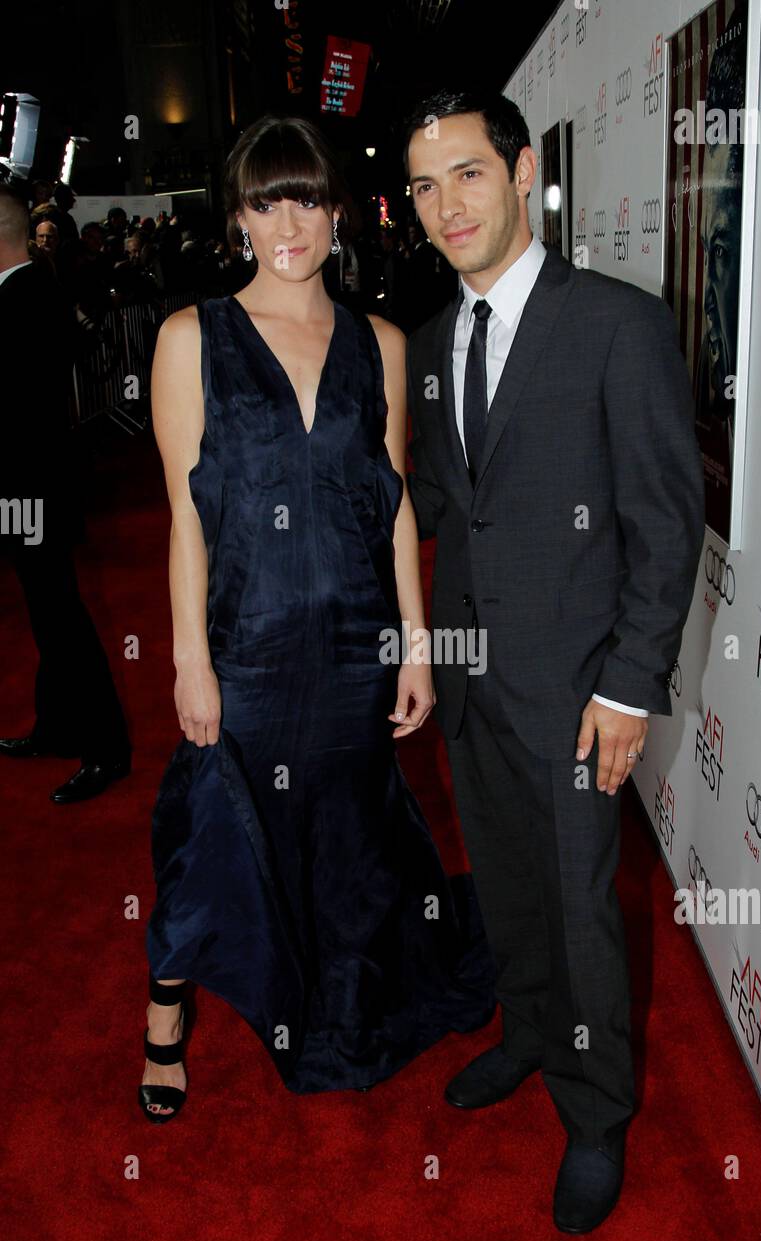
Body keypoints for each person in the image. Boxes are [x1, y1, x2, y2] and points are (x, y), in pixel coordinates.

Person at [139, 114, 494, 1124]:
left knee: (343, 840)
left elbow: (386, 508)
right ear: (238, 216)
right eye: (263, 199)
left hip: (350, 642)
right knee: (213, 837)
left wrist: (413, 644)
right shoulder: (188, 338)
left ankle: (334, 1009)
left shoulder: (378, 345)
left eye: (304, 196)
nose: (285, 220)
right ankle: (165, 1014)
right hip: (245, 641)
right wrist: (189, 660)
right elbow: (184, 517)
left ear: (336, 211)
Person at [403, 90, 705, 1234]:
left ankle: (594, 1108)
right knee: (508, 883)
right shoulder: (435, 342)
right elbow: (444, 500)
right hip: (476, 680)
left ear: (522, 172)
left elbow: (664, 523)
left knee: (582, 908)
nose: (447, 206)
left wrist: (628, 682)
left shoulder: (617, 326)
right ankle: (527, 1030)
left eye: (467, 175)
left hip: (582, 691)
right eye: (426, 186)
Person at [0, 185, 132, 801]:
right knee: (47, 613)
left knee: (61, 616)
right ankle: (56, 727)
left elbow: (20, 408)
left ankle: (108, 749)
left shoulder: (25, 296)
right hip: (29, 485)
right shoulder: (27, 292)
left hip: (33, 488)